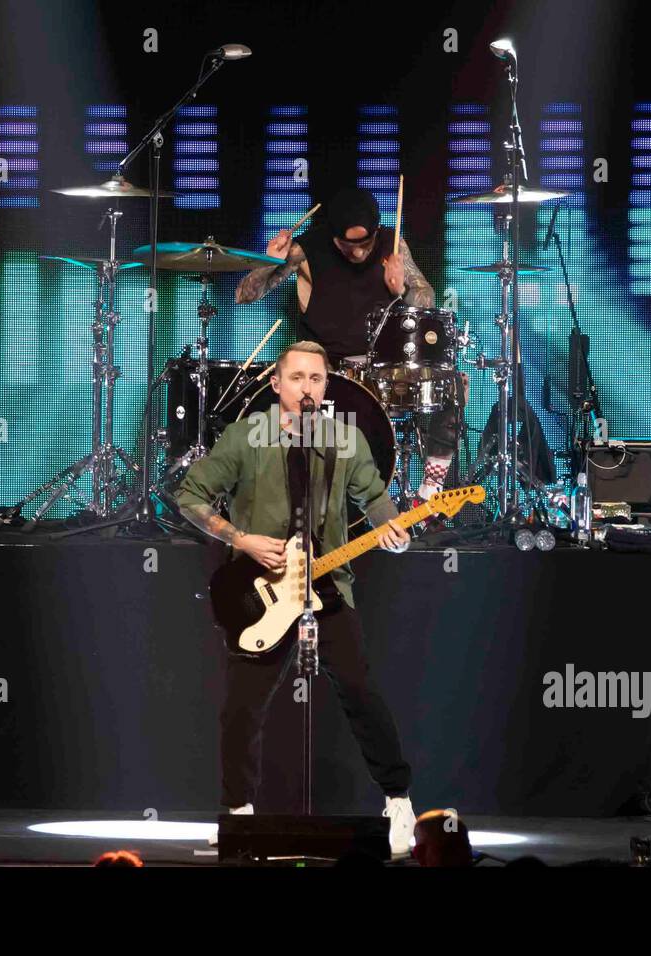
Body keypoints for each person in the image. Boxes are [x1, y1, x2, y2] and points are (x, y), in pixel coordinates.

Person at [175, 340, 417, 857]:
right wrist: (238, 538)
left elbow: (373, 498)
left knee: (361, 693)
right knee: (242, 708)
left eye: (317, 378)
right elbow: (190, 496)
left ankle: (398, 802)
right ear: (276, 384)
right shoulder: (245, 438)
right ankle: (238, 814)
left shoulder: (344, 440)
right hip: (263, 596)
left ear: (326, 386)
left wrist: (390, 525)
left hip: (327, 586)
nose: (308, 386)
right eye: (298, 377)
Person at [236, 186, 467, 523]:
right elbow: (246, 295)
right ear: (333, 237)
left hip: (379, 363)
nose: (359, 254)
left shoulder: (392, 242)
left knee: (453, 385)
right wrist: (269, 261)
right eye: (349, 246)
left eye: (365, 245)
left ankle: (428, 498)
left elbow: (426, 299)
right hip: (323, 362)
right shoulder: (308, 248)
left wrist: (401, 287)